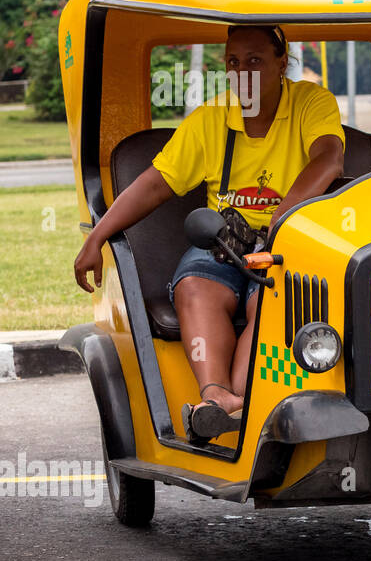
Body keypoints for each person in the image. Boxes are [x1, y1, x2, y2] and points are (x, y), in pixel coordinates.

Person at [73, 24, 345, 442]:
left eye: (255, 61)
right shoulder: (211, 119)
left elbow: (328, 160)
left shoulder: (312, 102)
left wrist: (282, 219)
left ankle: (238, 401)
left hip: (288, 243)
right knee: (194, 285)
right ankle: (217, 396)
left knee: (273, 301)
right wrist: (96, 236)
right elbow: (154, 184)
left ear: (281, 62)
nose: (243, 73)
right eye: (233, 63)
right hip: (224, 242)